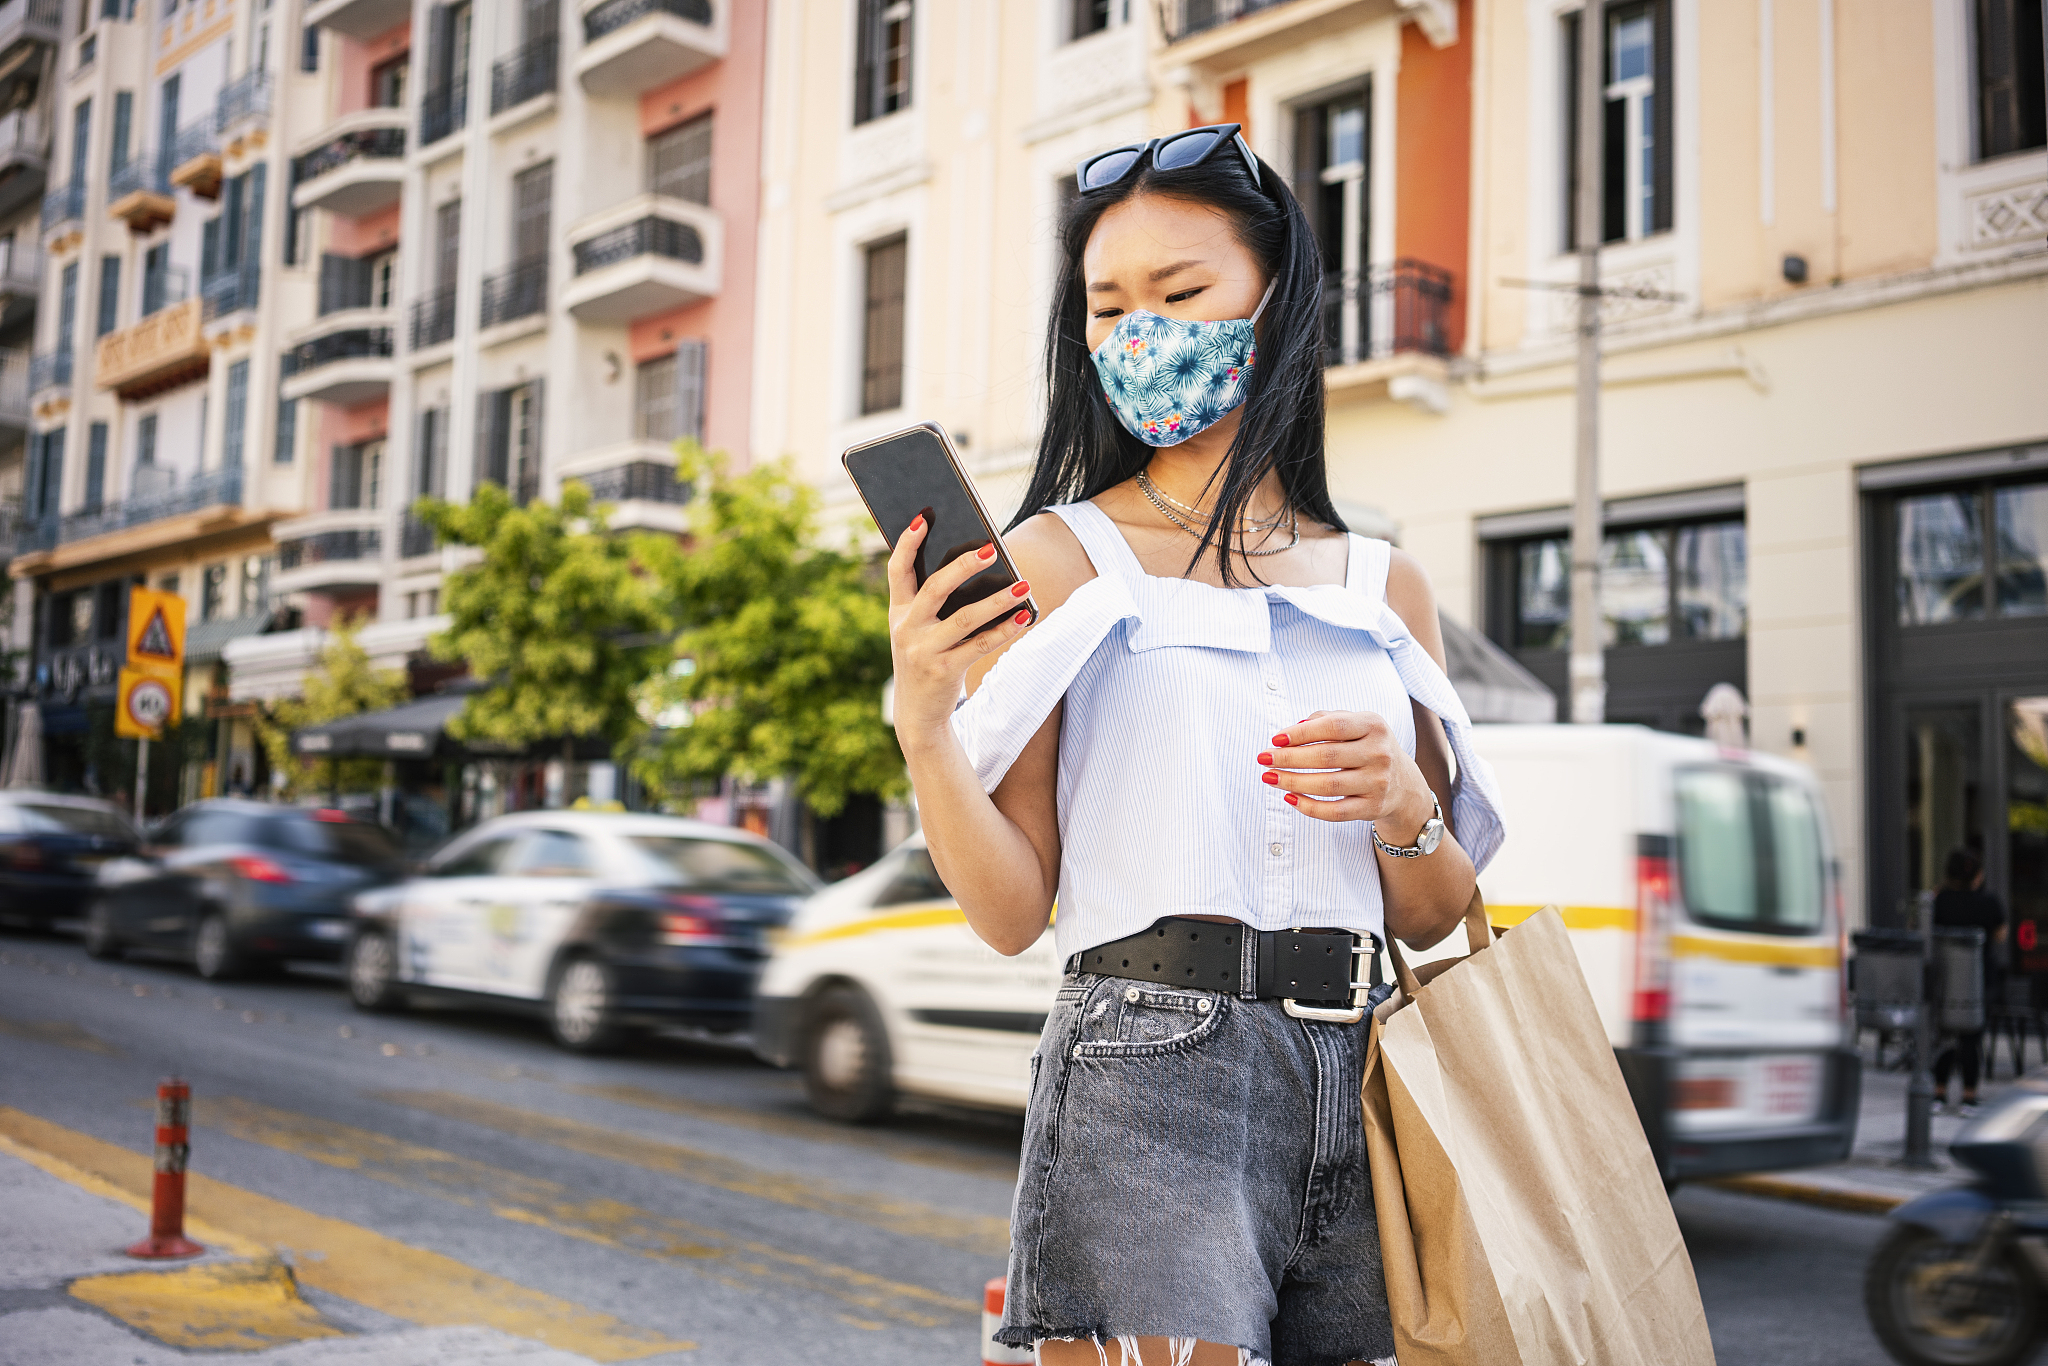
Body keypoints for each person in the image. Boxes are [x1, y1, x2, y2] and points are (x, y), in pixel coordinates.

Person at [885, 124, 1505, 1366]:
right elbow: (1010, 913)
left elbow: (1437, 914)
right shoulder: (1060, 560)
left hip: (1367, 1069)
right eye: (1106, 308)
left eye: (1179, 295)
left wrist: (1400, 803)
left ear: (1277, 307)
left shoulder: (1385, 584)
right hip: (1146, 1066)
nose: (1137, 336)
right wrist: (923, 725)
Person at [1933, 847, 2006, 1117]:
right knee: (1971, 1036)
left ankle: (1938, 1092)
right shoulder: (1988, 902)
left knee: (1942, 1034)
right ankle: (1969, 1096)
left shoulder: (1938, 901)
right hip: (1978, 978)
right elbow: (2000, 935)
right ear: (1977, 875)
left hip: (1944, 978)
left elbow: (1921, 931)